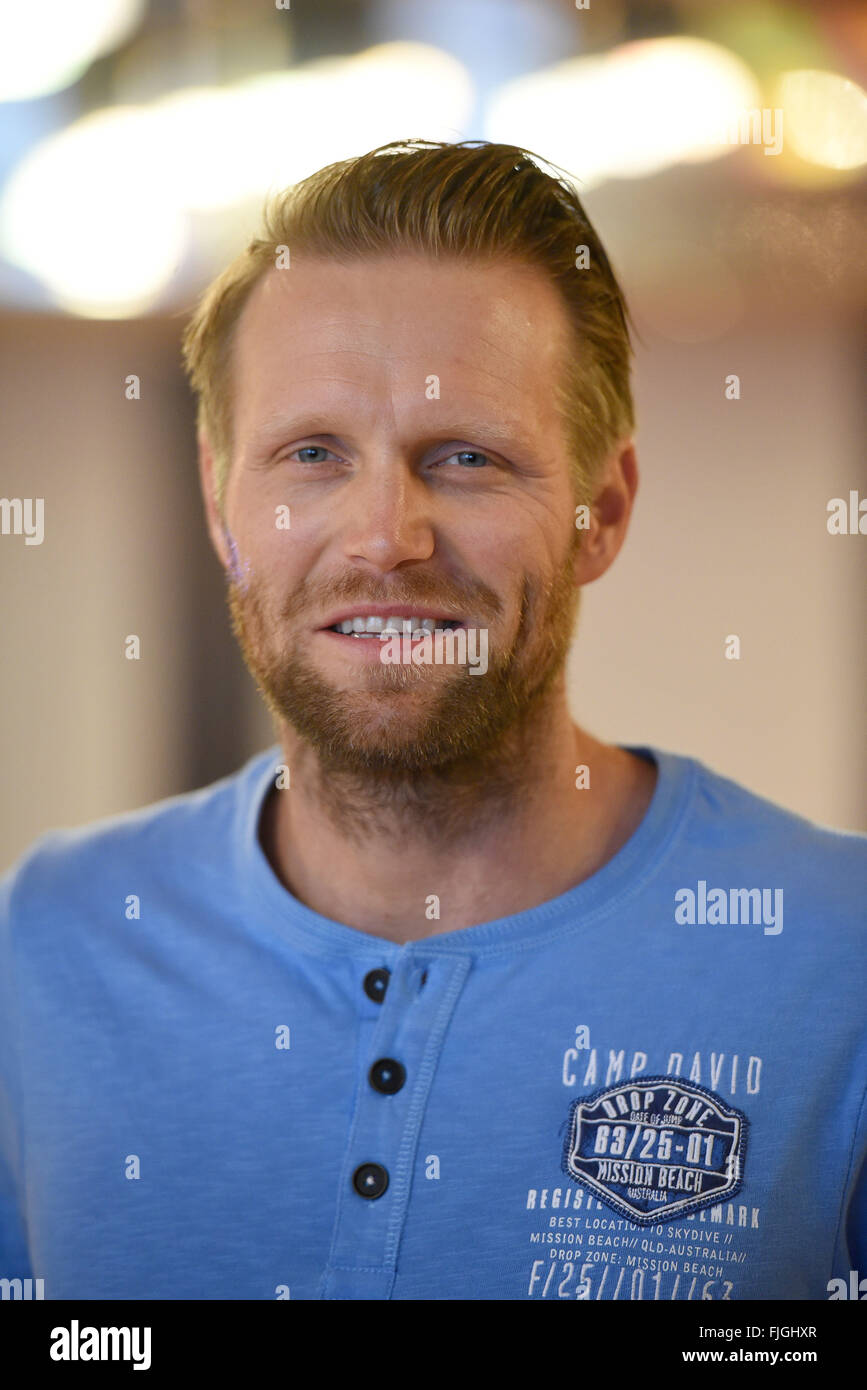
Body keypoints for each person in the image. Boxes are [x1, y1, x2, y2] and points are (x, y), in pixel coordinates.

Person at [1, 139, 864, 1302]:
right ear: (222, 505)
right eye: (313, 454)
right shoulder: (51, 940)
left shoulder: (834, 955)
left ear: (599, 510)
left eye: (465, 457)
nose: (385, 536)